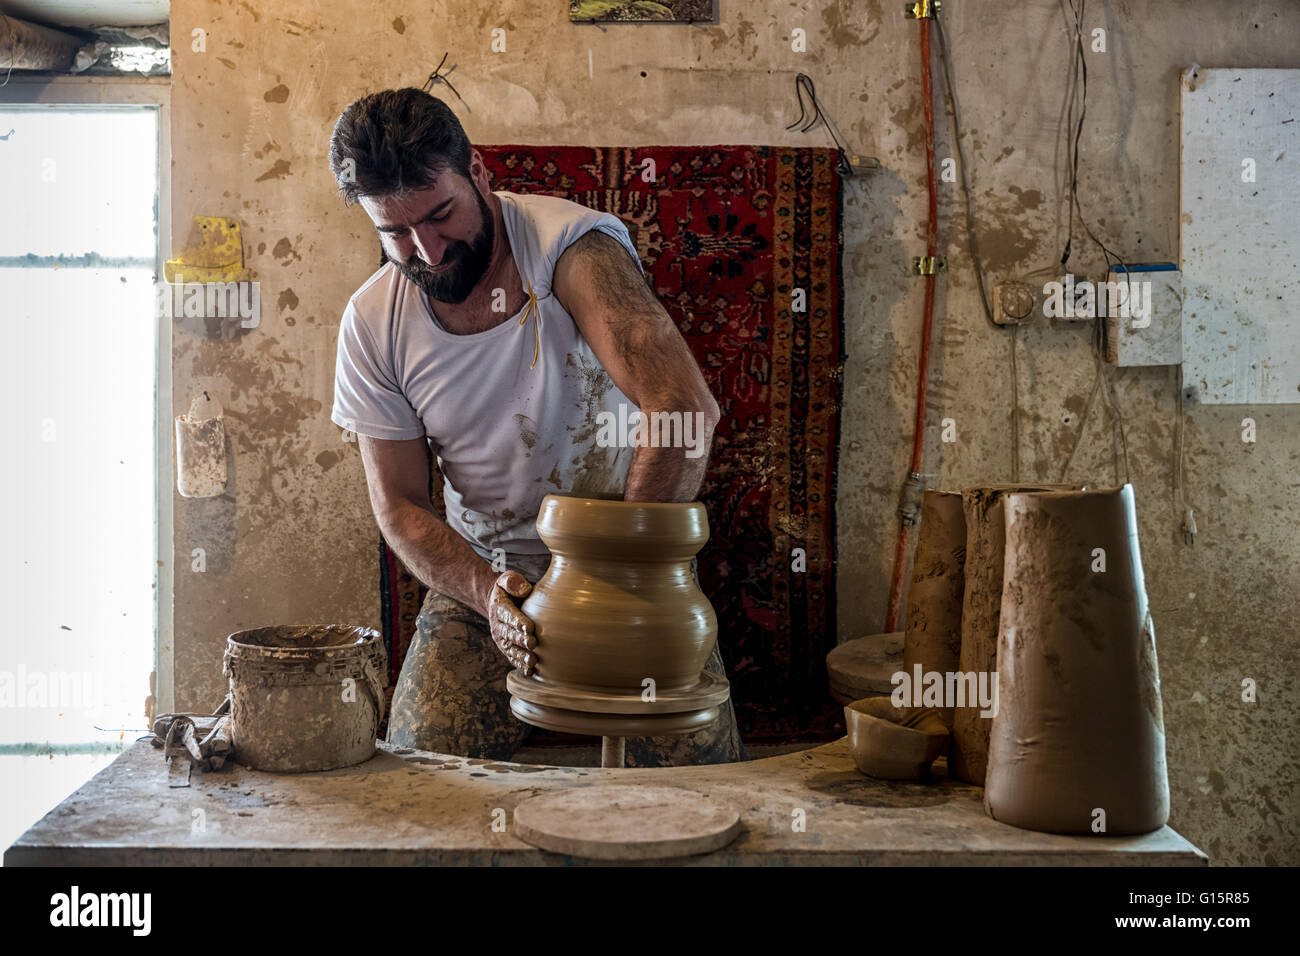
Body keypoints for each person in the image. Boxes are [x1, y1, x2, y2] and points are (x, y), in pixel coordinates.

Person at [327, 88, 744, 765]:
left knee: (701, 799)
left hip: (628, 568)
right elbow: (398, 505)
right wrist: (485, 596)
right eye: (396, 233)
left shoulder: (568, 249)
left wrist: (622, 583)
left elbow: (682, 406)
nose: (428, 252)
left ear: (481, 175)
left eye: (441, 216)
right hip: (492, 580)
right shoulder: (374, 322)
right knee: (423, 786)